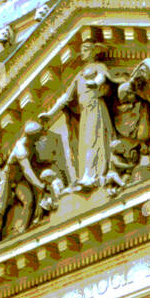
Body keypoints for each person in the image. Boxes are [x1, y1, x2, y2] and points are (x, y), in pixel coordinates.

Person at [39, 42, 119, 190]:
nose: (82, 53)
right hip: (85, 113)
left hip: (95, 107)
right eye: (81, 50)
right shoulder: (79, 75)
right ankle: (87, 174)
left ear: (94, 52)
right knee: (85, 143)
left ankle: (92, 175)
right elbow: (65, 97)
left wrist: (95, 83)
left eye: (85, 50)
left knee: (95, 139)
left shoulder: (98, 67)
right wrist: (50, 114)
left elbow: (102, 76)